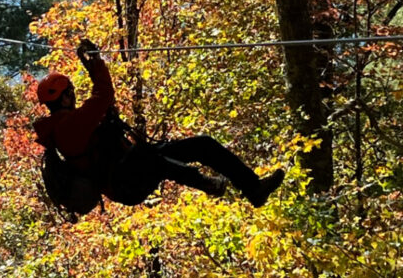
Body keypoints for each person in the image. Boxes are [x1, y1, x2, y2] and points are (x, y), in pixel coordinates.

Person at [32, 39, 285, 211]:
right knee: (150, 156)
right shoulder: (67, 127)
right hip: (123, 181)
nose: (74, 95)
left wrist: (93, 69)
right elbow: (103, 96)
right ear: (64, 97)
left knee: (202, 145)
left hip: (131, 167)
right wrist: (96, 63)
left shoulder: (69, 124)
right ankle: (206, 183)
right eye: (71, 91)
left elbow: (101, 106)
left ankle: (254, 189)